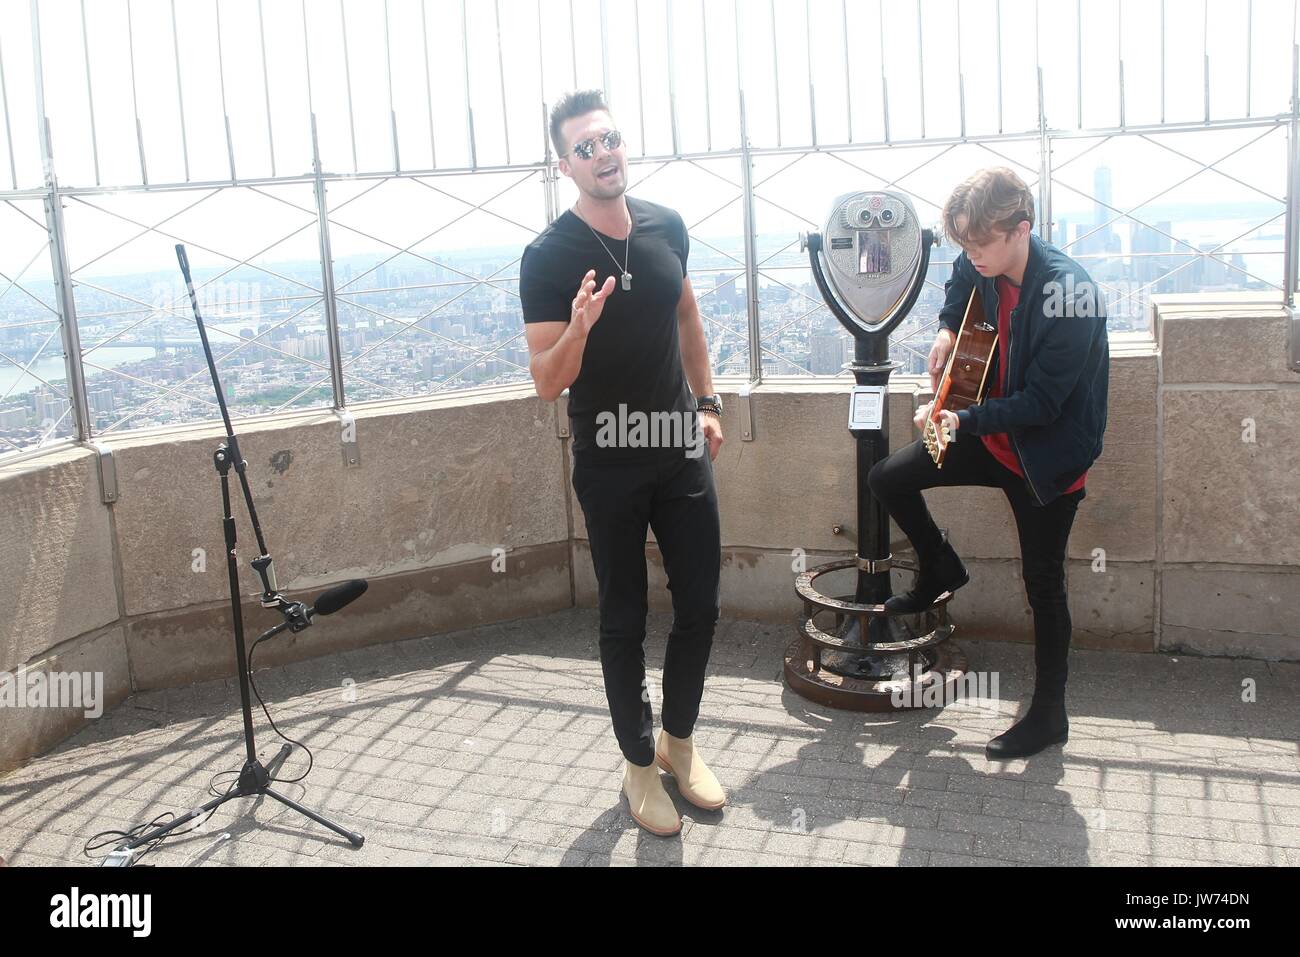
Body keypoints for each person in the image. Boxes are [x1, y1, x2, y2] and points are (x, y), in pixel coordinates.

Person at [519, 90, 726, 836]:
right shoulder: (548, 257)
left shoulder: (667, 223)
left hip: (677, 445)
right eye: (585, 146)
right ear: (563, 163)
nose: (603, 153)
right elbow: (547, 380)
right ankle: (638, 762)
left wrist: (709, 404)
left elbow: (686, 313)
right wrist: (578, 327)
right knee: (624, 616)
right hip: (608, 458)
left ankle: (678, 740)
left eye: (609, 138)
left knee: (701, 602)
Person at [867, 167, 1109, 760]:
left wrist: (959, 420)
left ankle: (1049, 714)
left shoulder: (1069, 294)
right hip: (989, 430)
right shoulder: (979, 264)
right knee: (888, 478)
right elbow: (958, 287)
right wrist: (949, 332)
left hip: (1042, 456)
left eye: (981, 244)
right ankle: (940, 565)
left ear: (1021, 230)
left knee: (1043, 587)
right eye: (964, 243)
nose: (970, 255)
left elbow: (1045, 404)